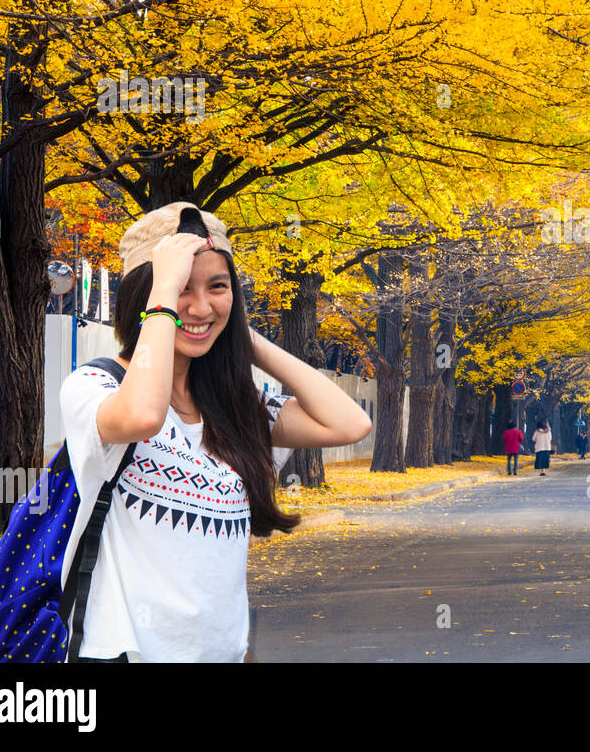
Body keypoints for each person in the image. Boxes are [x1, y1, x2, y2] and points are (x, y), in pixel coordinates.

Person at [59, 202, 372, 662]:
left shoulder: (235, 408)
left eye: (217, 287)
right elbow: (145, 415)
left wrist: (241, 336)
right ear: (145, 297)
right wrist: (164, 286)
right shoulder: (96, 386)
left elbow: (349, 423)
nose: (200, 306)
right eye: (182, 288)